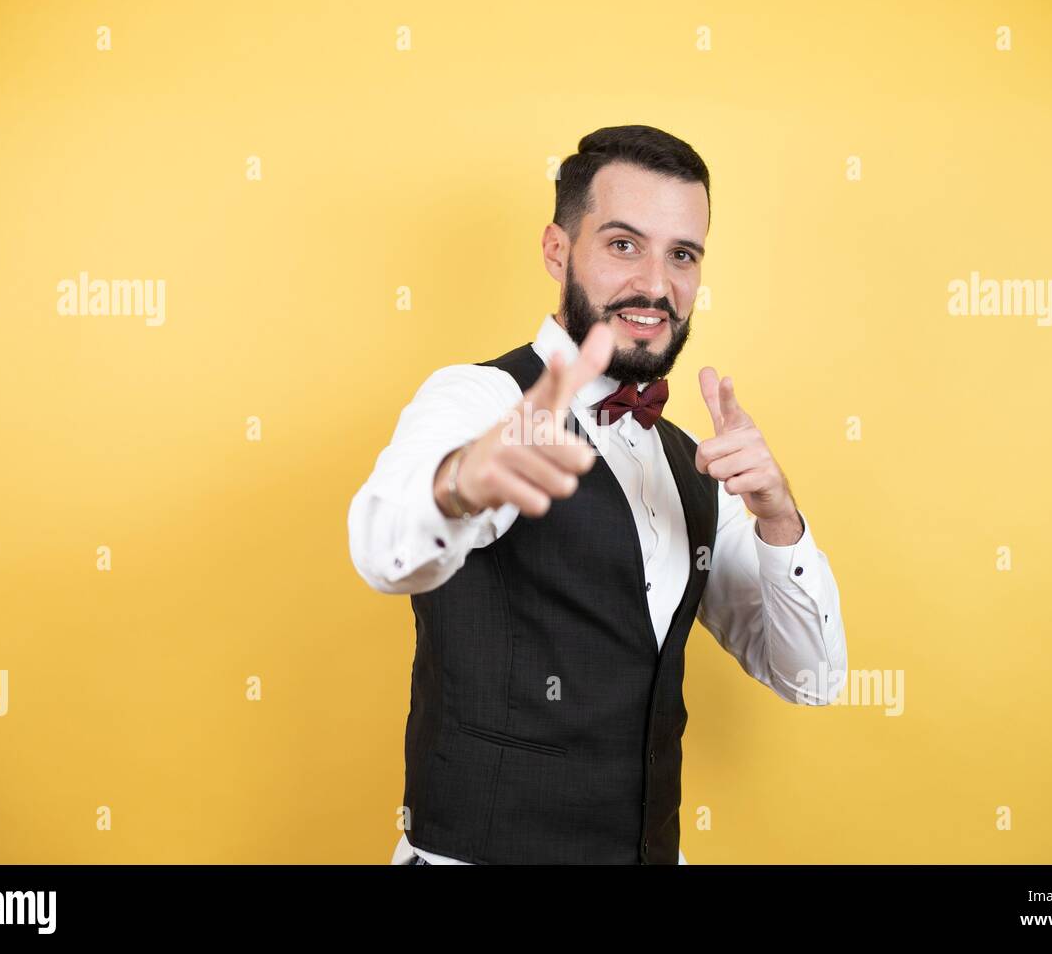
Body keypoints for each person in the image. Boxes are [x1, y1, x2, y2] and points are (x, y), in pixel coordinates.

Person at [348, 125, 847, 865]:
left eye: (682, 254)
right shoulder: (479, 398)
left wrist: (778, 516)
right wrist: (459, 483)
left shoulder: (692, 460)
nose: (656, 283)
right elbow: (382, 551)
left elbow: (812, 677)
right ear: (557, 251)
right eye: (623, 244)